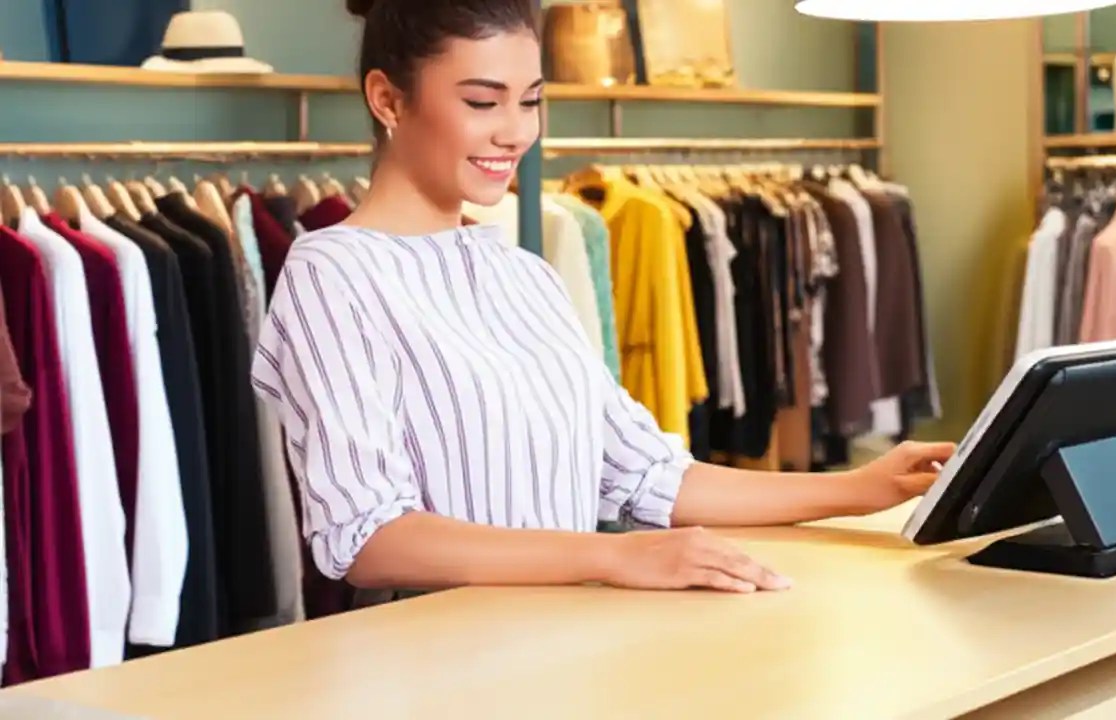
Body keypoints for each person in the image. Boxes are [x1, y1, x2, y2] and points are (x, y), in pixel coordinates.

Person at [251, 0, 955, 596]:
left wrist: (859, 488)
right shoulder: (334, 275)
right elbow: (369, 536)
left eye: (531, 101)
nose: (516, 131)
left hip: (566, 653)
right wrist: (613, 555)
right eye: (481, 102)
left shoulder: (522, 276)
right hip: (435, 668)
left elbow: (648, 473)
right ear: (387, 99)